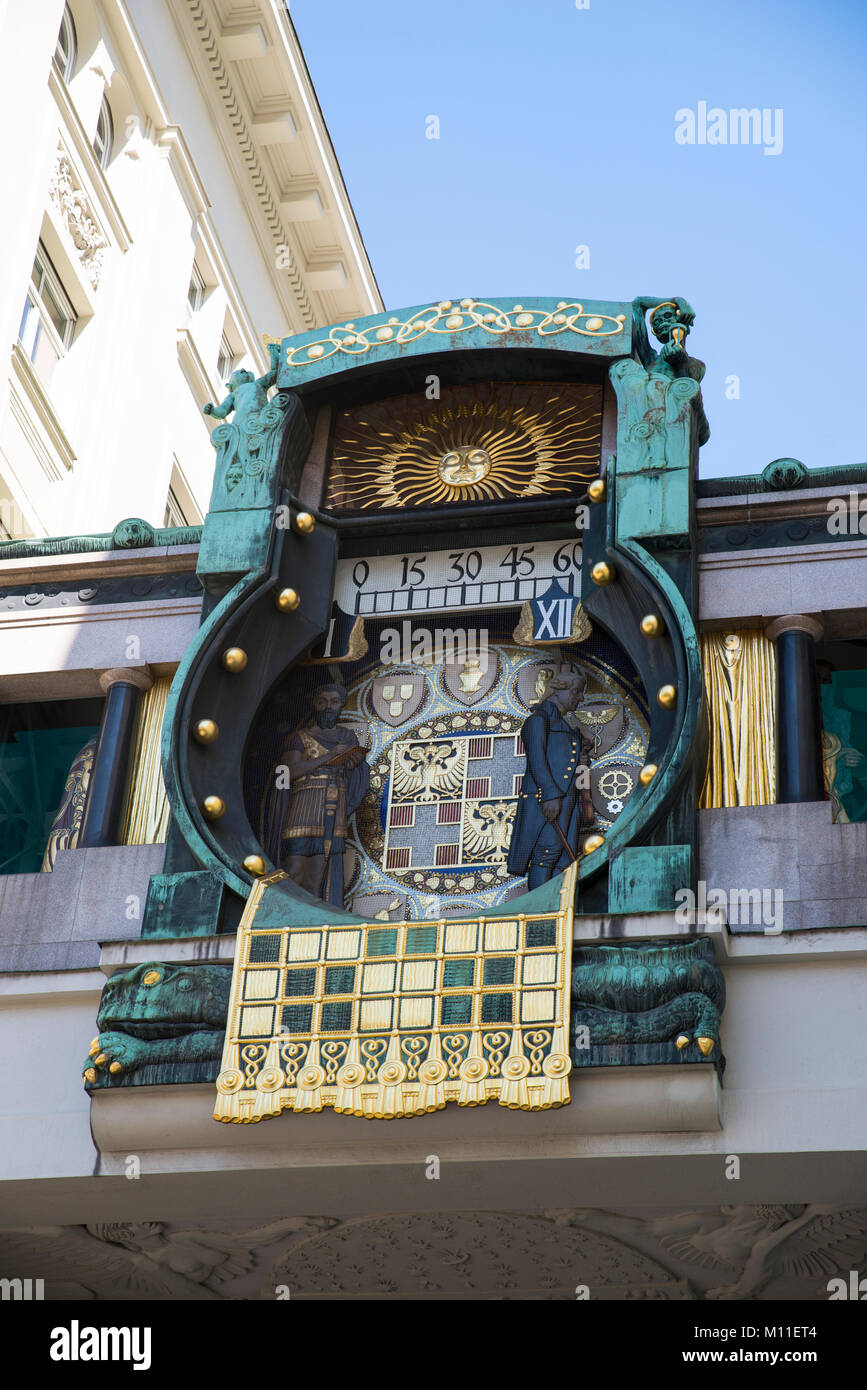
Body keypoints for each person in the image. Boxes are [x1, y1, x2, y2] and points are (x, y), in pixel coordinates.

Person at [273, 684, 369, 906]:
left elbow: (353, 770)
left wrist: (355, 763)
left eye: (334, 702)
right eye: (323, 701)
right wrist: (328, 757)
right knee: (295, 870)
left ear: (342, 705)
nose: (328, 707)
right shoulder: (299, 738)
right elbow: (291, 771)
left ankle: (311, 918)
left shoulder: (347, 737)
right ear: (315, 704)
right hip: (303, 807)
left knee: (318, 875)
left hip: (334, 805)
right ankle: (290, 913)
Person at [507, 670, 595, 889]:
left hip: (566, 801)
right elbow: (537, 760)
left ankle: (554, 903)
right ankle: (541, 908)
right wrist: (549, 795)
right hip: (551, 799)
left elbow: (573, 770)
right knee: (547, 852)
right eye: (576, 691)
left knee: (562, 858)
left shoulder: (564, 726)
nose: (580, 698)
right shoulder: (539, 720)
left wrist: (582, 759)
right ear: (559, 689)